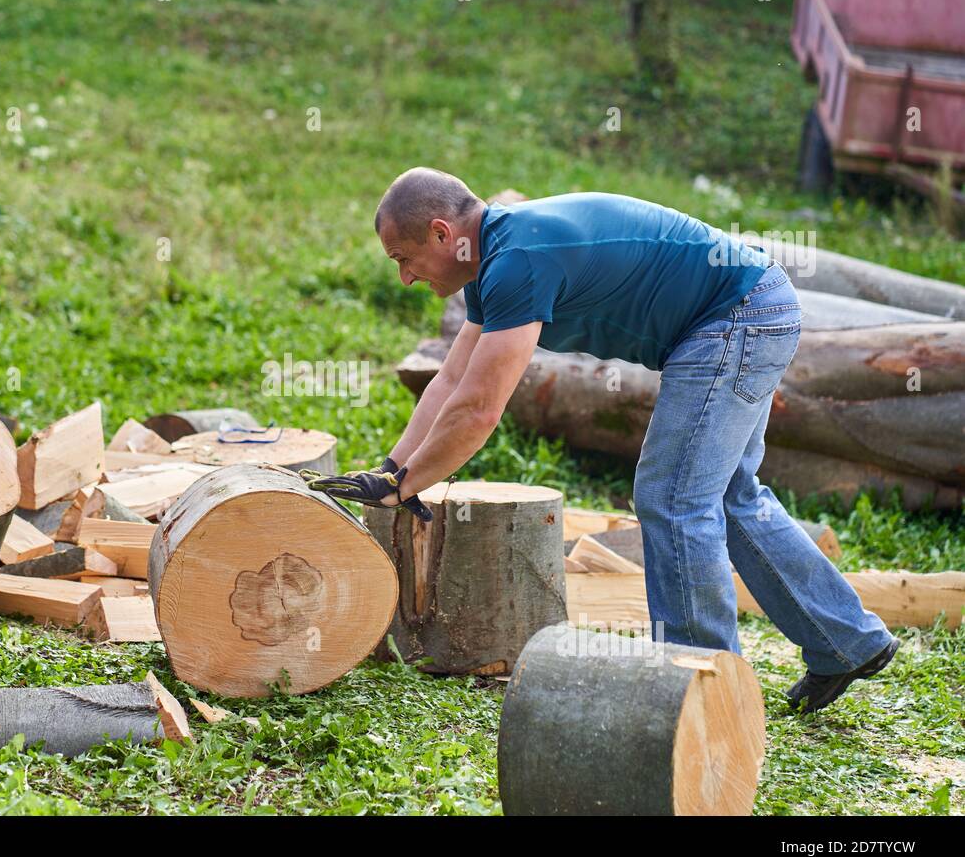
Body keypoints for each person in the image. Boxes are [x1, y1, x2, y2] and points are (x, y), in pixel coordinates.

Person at [309, 167, 897, 713]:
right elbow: (451, 382)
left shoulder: (520, 261)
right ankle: (847, 641)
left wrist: (409, 485)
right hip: (745, 307)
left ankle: (700, 688)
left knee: (673, 498)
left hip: (738, 314)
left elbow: (480, 410)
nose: (405, 277)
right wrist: (392, 470)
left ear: (442, 233)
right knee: (725, 497)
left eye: (404, 259)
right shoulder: (497, 260)